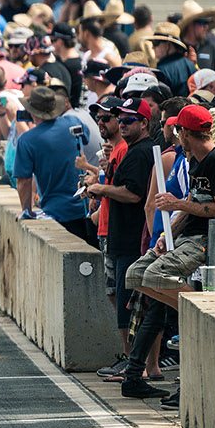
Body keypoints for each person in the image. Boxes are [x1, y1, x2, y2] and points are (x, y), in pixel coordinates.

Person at [121, 104, 215, 402]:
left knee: (158, 275)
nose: (175, 137)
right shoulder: (194, 160)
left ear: (186, 132)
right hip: (186, 234)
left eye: (178, 131)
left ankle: (198, 311)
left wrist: (178, 205)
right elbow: (190, 201)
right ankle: (191, 309)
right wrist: (166, 234)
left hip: (209, 239)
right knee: (135, 275)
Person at [85, 96, 158, 369]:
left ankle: (135, 362)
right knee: (131, 303)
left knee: (130, 305)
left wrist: (102, 189)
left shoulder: (139, 152)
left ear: (144, 123)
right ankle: (143, 364)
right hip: (123, 237)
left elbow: (133, 194)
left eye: (128, 120)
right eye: (121, 119)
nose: (122, 124)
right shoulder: (133, 150)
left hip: (130, 240)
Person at [12, 85, 92, 243]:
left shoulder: (27, 140)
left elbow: (23, 181)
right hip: (86, 206)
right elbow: (86, 139)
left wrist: (26, 211)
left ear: (32, 111)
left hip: (58, 212)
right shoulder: (73, 121)